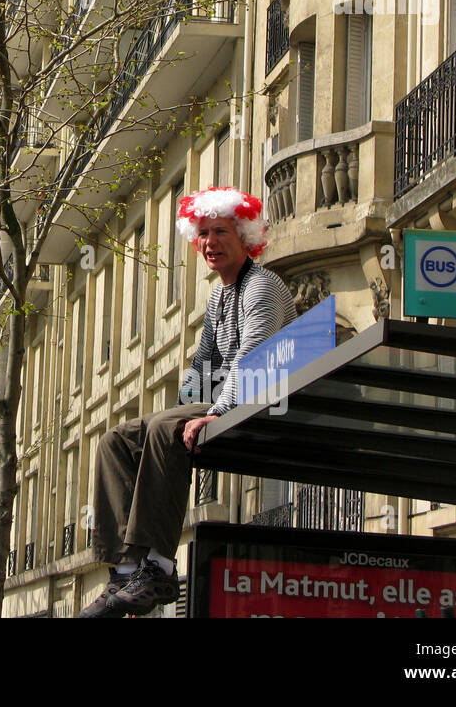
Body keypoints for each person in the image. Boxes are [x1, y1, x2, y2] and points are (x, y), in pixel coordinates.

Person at [79, 186, 296, 618]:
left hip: (268, 399)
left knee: (166, 430)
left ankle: (158, 566)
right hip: (231, 396)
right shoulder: (219, 296)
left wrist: (212, 413)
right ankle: (124, 569)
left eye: (221, 232)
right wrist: (181, 408)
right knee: (118, 439)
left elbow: (252, 360)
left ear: (246, 238)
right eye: (204, 234)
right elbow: (203, 366)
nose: (210, 242)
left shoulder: (262, 286)